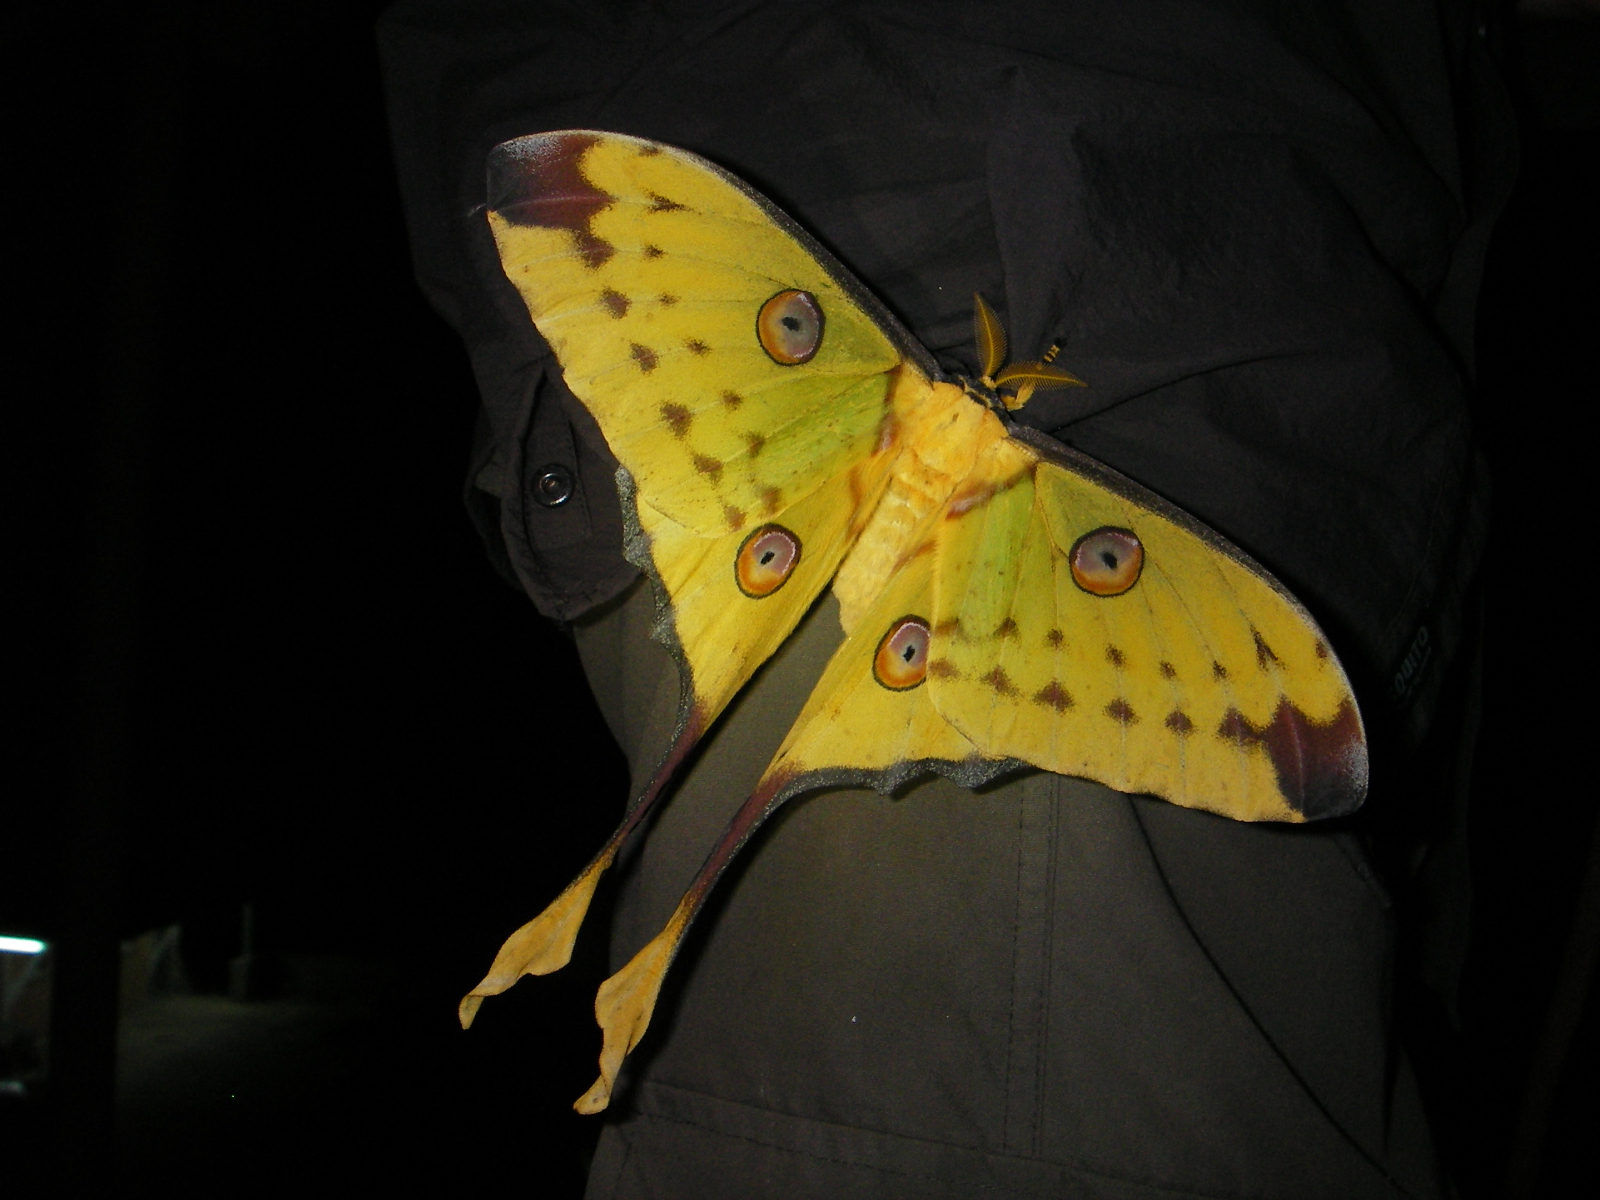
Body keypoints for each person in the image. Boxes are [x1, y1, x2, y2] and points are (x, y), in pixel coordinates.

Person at [379, 2, 1511, 1194]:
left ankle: (550, 968)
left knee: (699, 822)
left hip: (1271, 419)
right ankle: (567, 974)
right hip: (1043, 304)